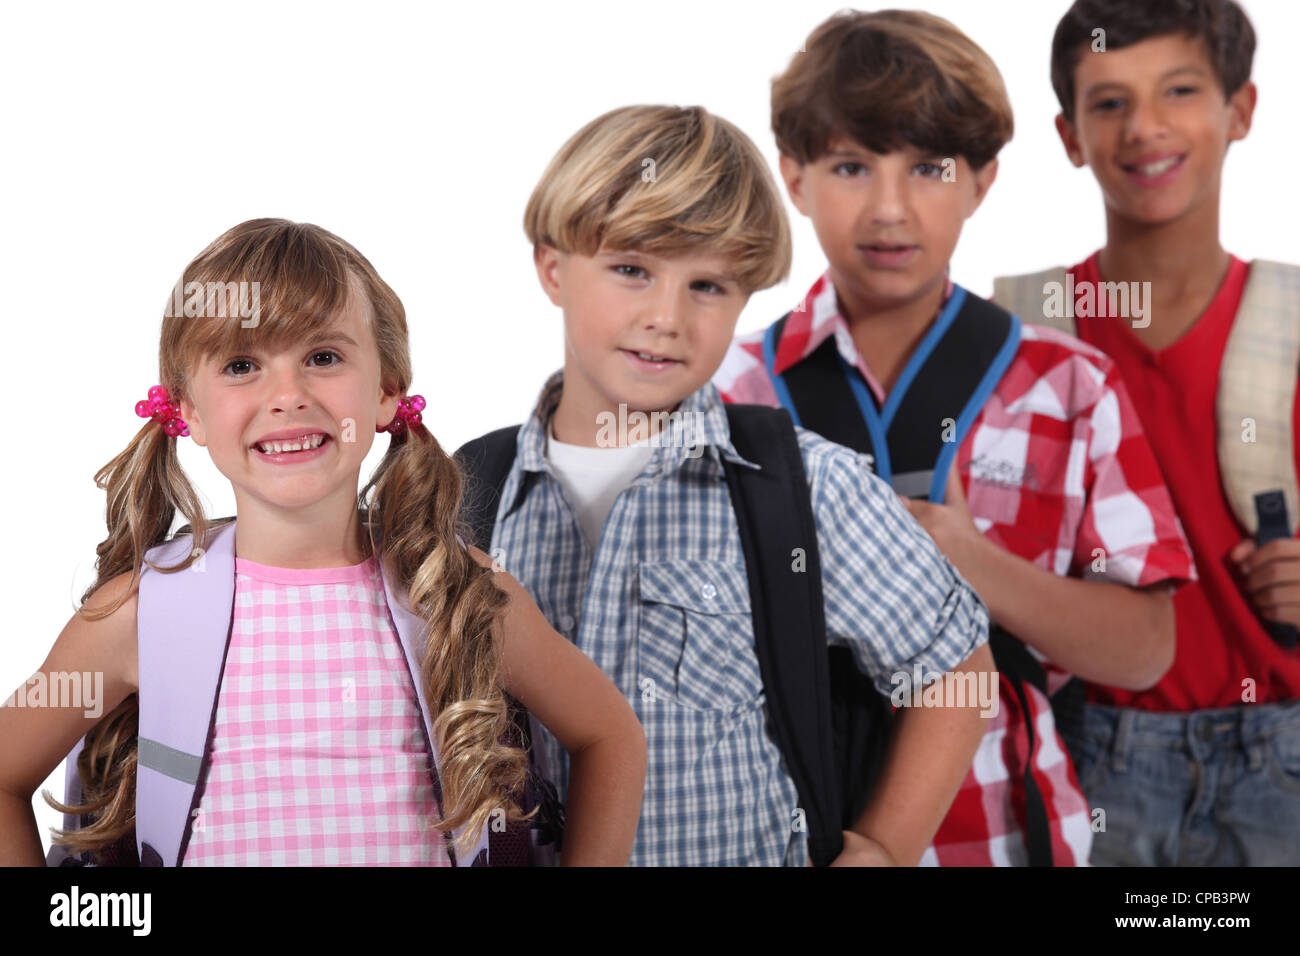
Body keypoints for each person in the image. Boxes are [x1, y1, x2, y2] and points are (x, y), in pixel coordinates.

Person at [0, 218, 645, 867]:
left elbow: (607, 734)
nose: (288, 396)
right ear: (187, 409)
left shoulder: (455, 591)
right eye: (242, 365)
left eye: (323, 357)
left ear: (388, 392)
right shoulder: (142, 613)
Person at [716, 9, 1195, 865]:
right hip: (783, 826)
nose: (891, 208)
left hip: (1004, 829)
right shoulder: (732, 390)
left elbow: (1145, 652)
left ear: (983, 181)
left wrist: (974, 566)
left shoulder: (1069, 385)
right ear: (794, 178)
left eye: (930, 169)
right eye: (851, 166)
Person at [461, 102, 996, 866]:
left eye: (709, 286)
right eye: (631, 271)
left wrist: (883, 844)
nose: (667, 317)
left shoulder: (806, 488)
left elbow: (955, 666)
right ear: (553, 269)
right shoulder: (463, 495)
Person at [993, 0, 1300, 865]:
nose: (1146, 128)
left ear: (1241, 111)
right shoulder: (1015, 329)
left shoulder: (1294, 319)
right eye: (1110, 101)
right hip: (1083, 752)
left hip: (1283, 764)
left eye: (1179, 90)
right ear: (1068, 133)